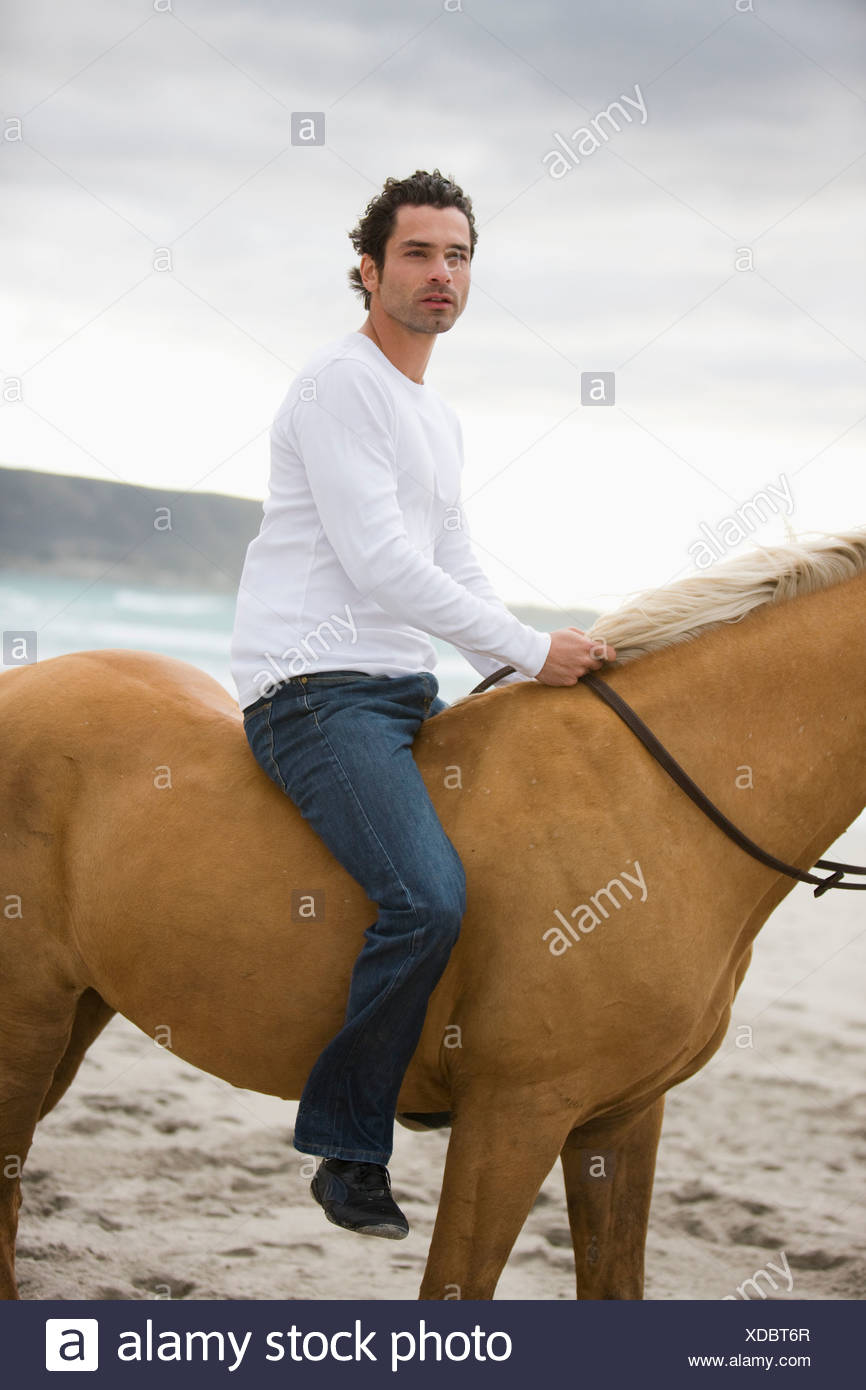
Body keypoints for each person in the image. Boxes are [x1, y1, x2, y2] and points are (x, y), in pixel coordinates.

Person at [230, 169, 614, 1240]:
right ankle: (348, 1142)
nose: (439, 273)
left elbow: (451, 561)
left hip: (404, 688)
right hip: (311, 689)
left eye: (456, 257)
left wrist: (513, 663)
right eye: (416, 254)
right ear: (368, 268)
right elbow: (382, 562)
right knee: (428, 897)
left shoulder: (432, 418)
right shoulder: (336, 385)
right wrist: (532, 649)